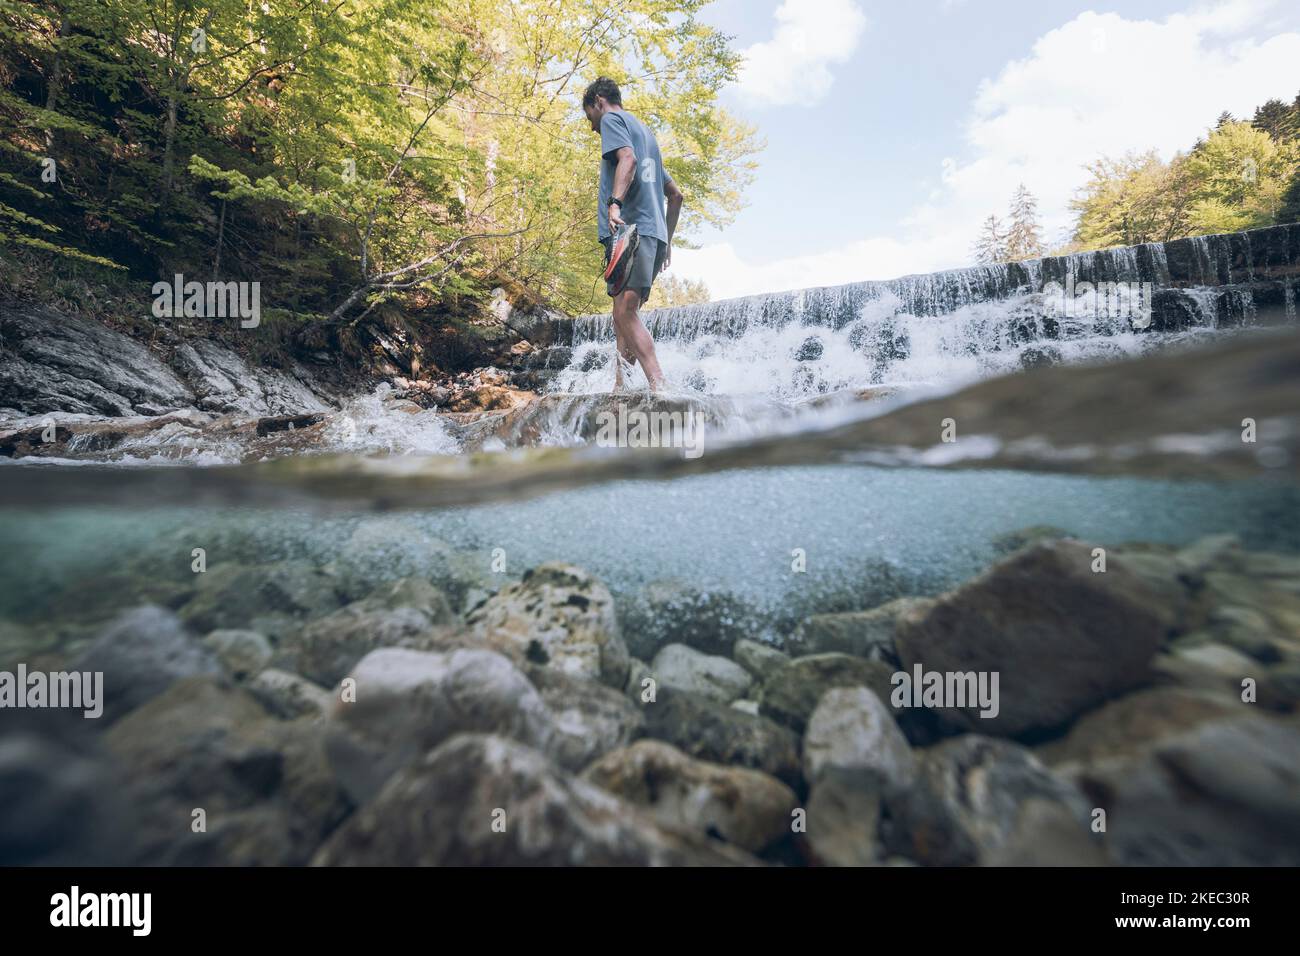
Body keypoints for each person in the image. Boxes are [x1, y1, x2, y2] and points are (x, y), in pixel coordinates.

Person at [582, 76, 683, 391]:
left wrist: (615, 204)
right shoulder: (646, 133)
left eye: (590, 118)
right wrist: (666, 241)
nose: (593, 128)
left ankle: (659, 385)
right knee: (622, 311)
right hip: (653, 234)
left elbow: (627, 158)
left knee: (625, 311)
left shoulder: (612, 119)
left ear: (599, 101)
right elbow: (676, 195)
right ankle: (621, 387)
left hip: (630, 230)